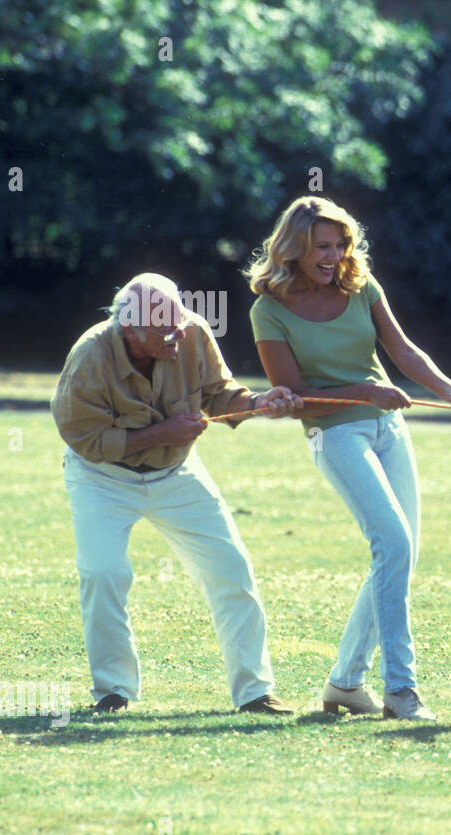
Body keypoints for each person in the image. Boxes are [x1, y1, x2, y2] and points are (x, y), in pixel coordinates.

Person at [247, 196, 451, 721]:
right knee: (394, 544)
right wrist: (363, 392)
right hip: (334, 433)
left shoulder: (362, 286)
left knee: (400, 554)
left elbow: (402, 351)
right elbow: (293, 397)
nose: (333, 257)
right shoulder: (268, 309)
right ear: (294, 248)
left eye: (339, 245)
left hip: (388, 427)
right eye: (321, 247)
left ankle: (345, 684)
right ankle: (402, 691)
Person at [52, 272, 301, 714]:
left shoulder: (190, 332)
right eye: (165, 329)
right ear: (131, 330)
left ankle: (255, 692)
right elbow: (82, 436)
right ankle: (114, 691)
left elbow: (220, 394)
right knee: (102, 573)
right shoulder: (90, 356)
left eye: (180, 320)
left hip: (176, 472)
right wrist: (161, 432)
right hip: (101, 476)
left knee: (231, 569)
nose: (178, 333)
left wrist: (260, 403)